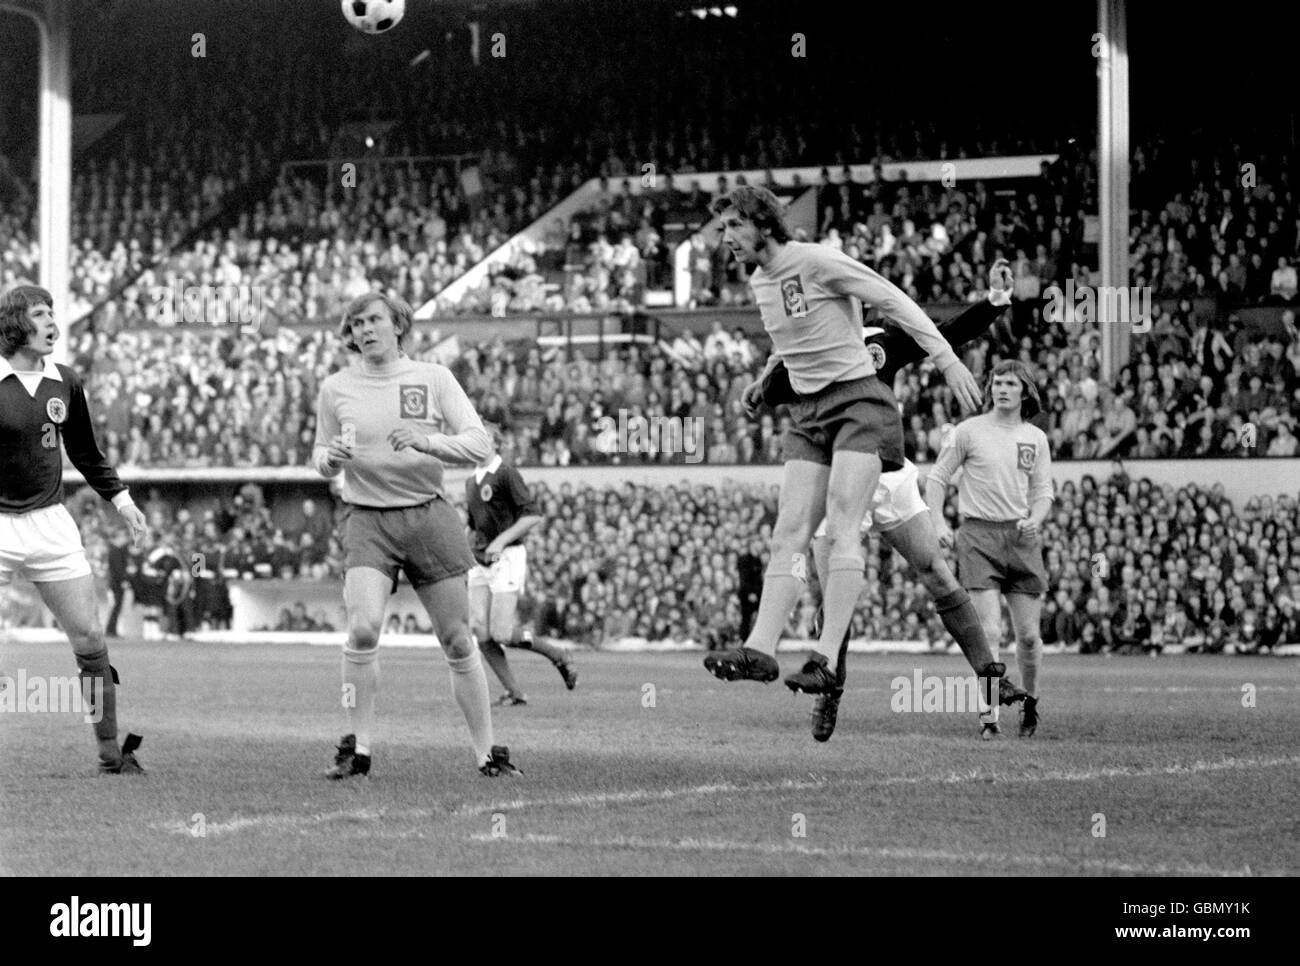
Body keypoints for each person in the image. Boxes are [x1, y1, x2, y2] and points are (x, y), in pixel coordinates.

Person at [702, 186, 980, 698]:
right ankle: (760, 649)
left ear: (764, 222)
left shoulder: (818, 262)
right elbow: (790, 342)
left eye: (735, 226)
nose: (727, 239)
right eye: (723, 229)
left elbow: (895, 301)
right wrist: (764, 380)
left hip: (857, 403)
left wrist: (948, 360)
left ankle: (826, 658)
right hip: (808, 413)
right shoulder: (762, 283)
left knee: (843, 519)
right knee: (788, 533)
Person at [797, 261, 1029, 741]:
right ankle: (830, 690)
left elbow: (941, 333)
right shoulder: (812, 345)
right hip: (840, 481)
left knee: (937, 574)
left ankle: (990, 673)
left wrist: (993, 303)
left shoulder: (880, 339)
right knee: (831, 597)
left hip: (891, 476)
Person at [314, 292, 518, 779]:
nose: (365, 330)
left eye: (374, 320)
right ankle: (358, 749)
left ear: (399, 325)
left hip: (428, 516)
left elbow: (479, 442)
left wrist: (427, 441)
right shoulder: (336, 387)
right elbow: (319, 455)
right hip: (367, 517)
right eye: (357, 323)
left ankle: (488, 754)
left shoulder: (433, 378)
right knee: (362, 628)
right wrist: (331, 460)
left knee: (457, 638)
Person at [0, 285, 149, 774]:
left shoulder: (65, 381)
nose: (51, 322)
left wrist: (123, 501)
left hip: (49, 524)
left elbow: (86, 452)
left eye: (52, 313)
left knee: (89, 638)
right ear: (15, 324)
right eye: (40, 314)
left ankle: (111, 753)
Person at [926, 359, 1054, 738]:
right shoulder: (969, 432)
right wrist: (938, 522)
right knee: (990, 631)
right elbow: (937, 478)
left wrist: (1037, 517)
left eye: (1011, 383)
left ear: (1024, 391)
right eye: (997, 382)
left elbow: (1044, 492)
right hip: (978, 536)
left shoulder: (1035, 438)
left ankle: (1030, 703)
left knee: (1029, 636)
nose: (1002, 389)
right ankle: (989, 717)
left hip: (1021, 537)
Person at [467, 427, 576, 706]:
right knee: (480, 629)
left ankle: (558, 655)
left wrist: (500, 542)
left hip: (508, 557)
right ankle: (514, 692)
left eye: (483, 436)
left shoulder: (506, 473)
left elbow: (533, 516)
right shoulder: (471, 481)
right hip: (481, 560)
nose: (477, 440)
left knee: (501, 633)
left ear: (495, 443)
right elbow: (474, 526)